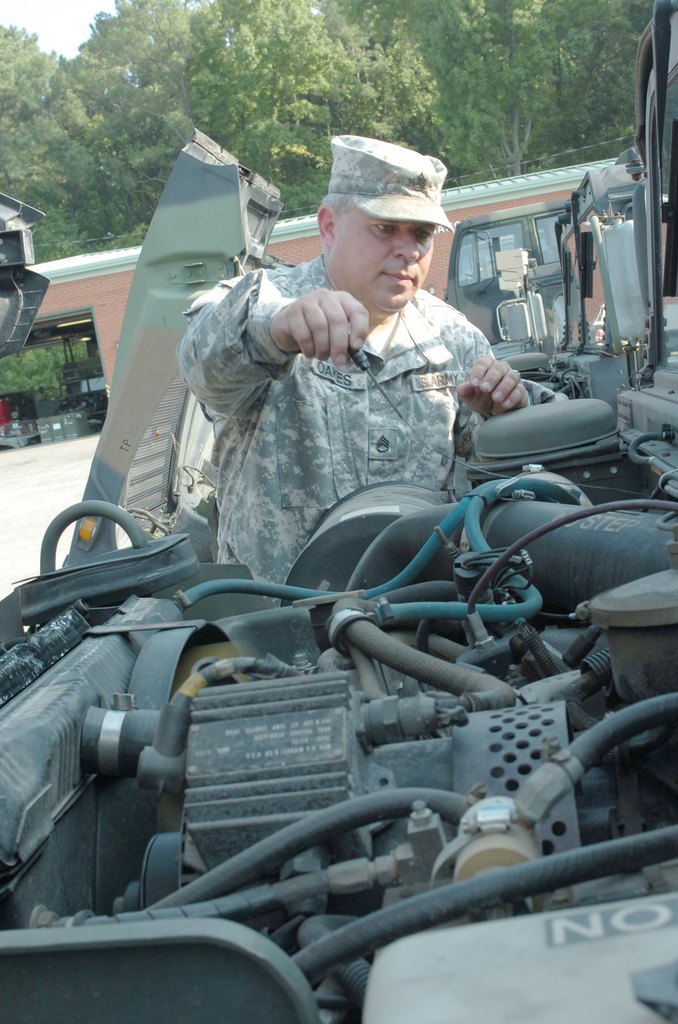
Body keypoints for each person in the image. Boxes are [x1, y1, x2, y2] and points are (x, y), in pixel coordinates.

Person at [177, 135, 552, 585]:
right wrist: (278, 328)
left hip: (419, 617)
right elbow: (202, 362)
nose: (408, 250)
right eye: (386, 227)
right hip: (283, 622)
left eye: (422, 234)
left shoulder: (455, 340)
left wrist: (506, 416)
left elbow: (498, 479)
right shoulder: (268, 304)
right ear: (329, 225)